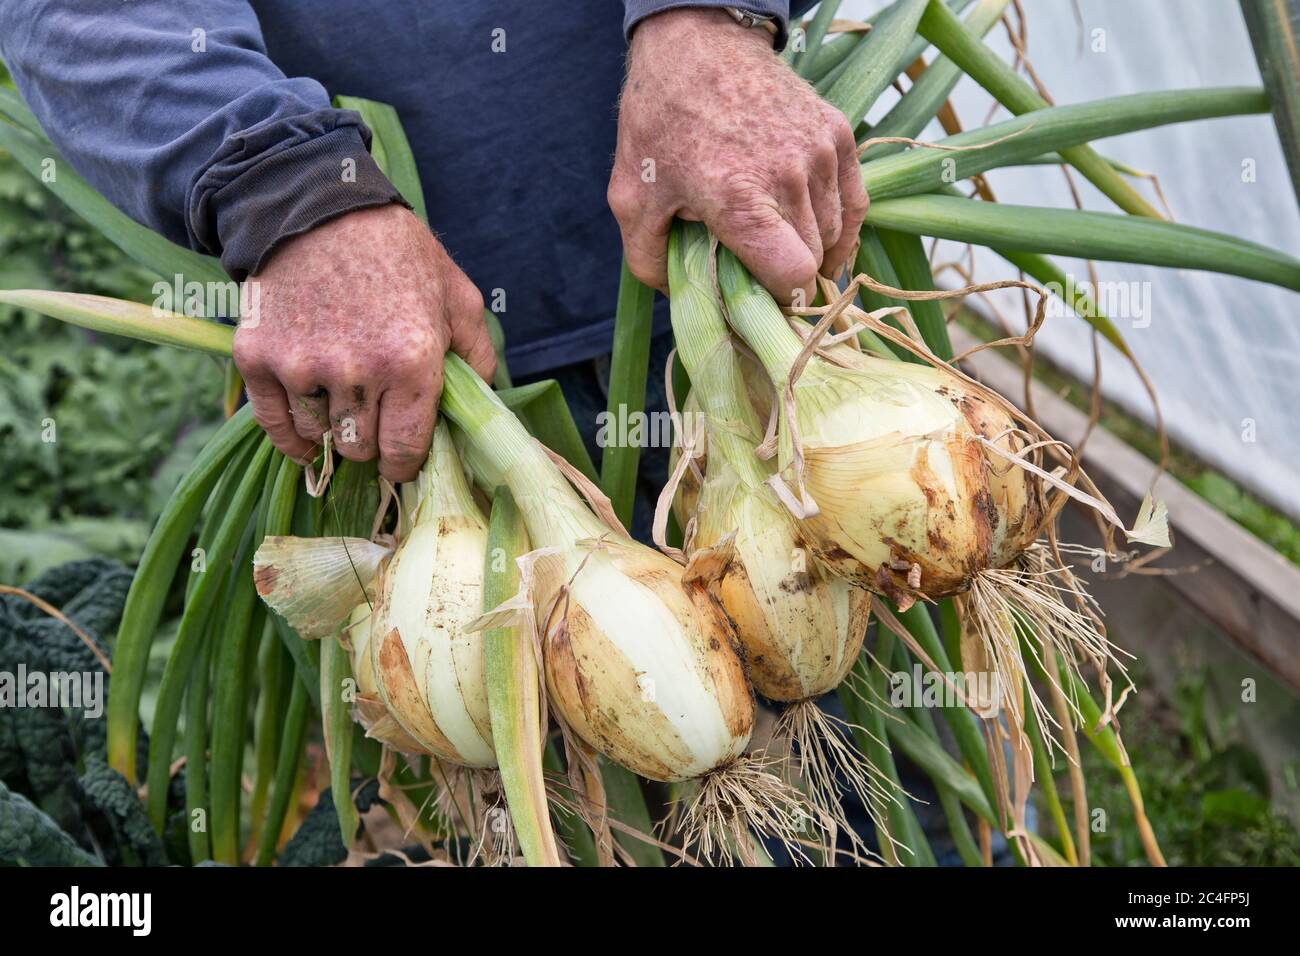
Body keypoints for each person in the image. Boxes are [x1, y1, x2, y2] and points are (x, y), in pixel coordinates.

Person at [0, 1, 868, 484]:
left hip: (758, 284)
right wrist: (292, 189)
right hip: (401, 375)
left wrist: (706, 20)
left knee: (892, 722)